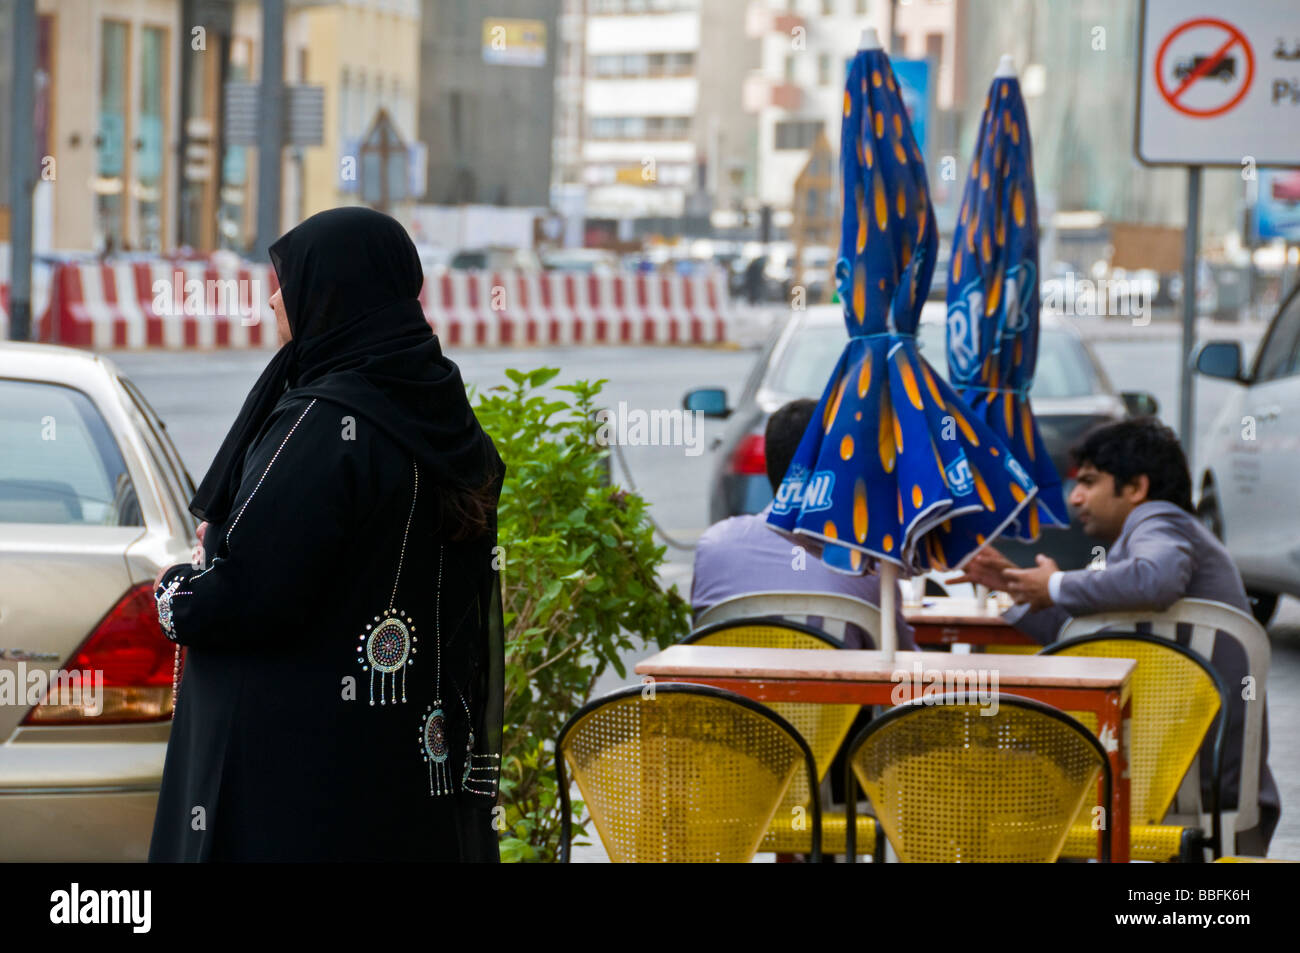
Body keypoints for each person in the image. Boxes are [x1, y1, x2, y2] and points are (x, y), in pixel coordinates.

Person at [149, 207, 506, 861]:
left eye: (290, 281)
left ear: (335, 291)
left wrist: (174, 589)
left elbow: (247, 592)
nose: (274, 299)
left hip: (291, 771)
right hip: (396, 765)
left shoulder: (323, 422)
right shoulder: (441, 413)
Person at [955, 417, 1279, 853]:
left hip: (1175, 774)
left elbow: (1157, 579)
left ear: (1137, 488)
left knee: (993, 774)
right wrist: (1013, 583)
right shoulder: (1145, 539)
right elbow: (1073, 633)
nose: (1075, 497)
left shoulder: (1159, 522)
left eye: (1089, 482)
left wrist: (1056, 585)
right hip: (1203, 776)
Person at [692, 398, 914, 649]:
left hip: (732, 677)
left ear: (770, 466)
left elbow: (699, 639)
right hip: (835, 677)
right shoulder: (865, 564)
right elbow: (899, 654)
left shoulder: (714, 547)